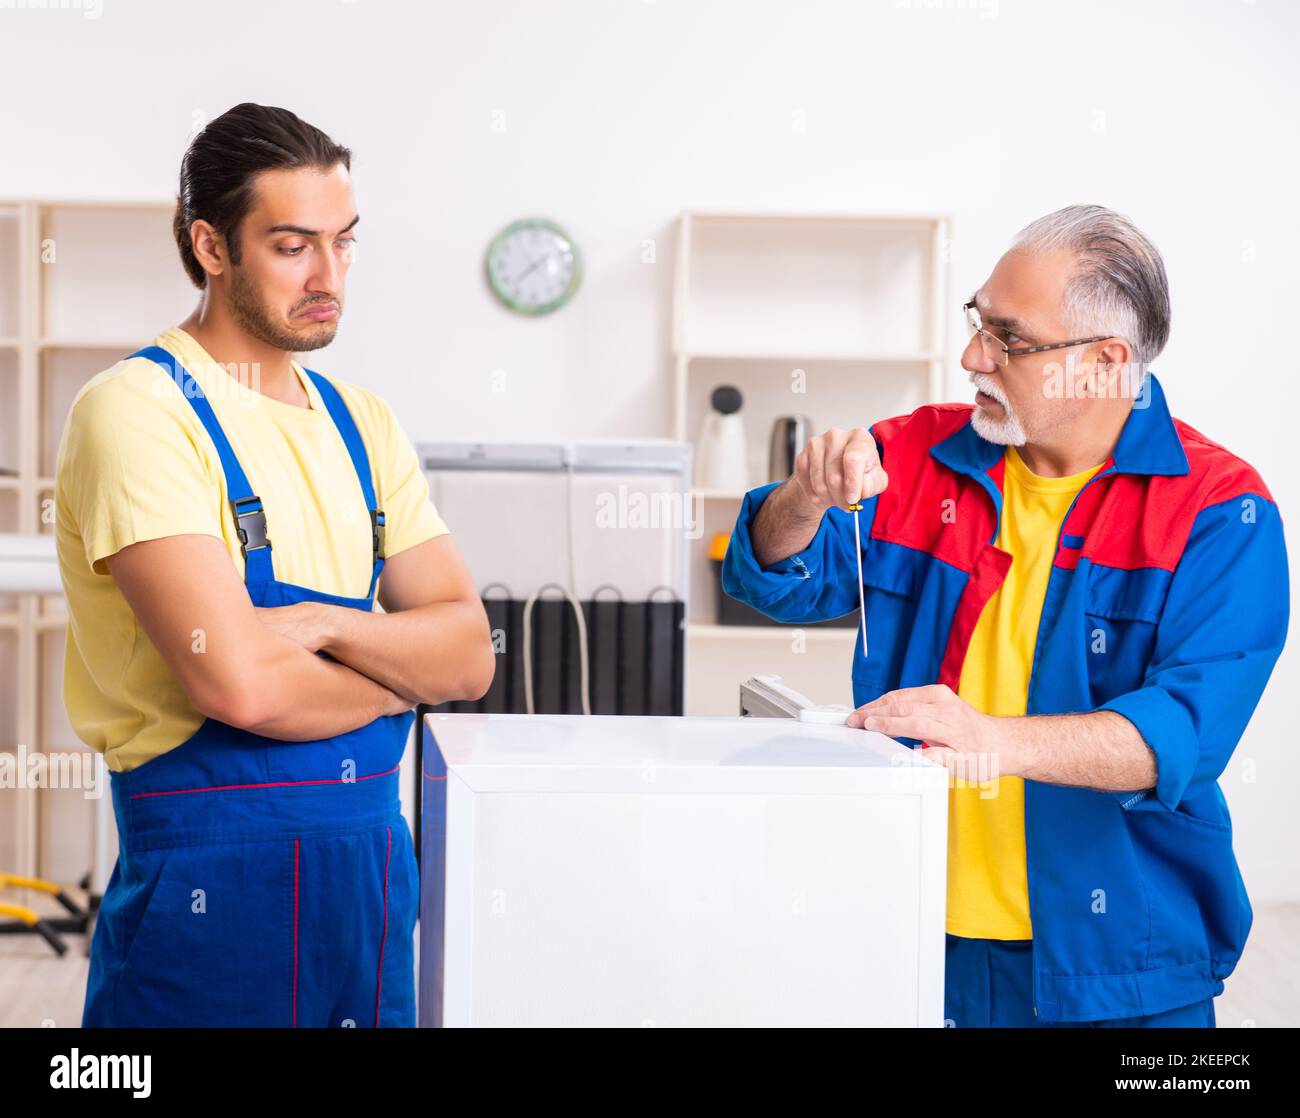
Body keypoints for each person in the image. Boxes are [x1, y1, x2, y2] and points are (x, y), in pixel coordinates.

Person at [722, 204, 1289, 1028]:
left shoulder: (1218, 512)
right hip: (912, 937)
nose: (971, 356)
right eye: (976, 322)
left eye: (1008, 339)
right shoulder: (916, 455)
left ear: (1104, 362)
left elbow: (1185, 735)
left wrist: (996, 739)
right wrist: (801, 499)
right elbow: (778, 578)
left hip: (1119, 971)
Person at [57, 103, 494, 1027]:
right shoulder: (139, 412)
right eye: (293, 246)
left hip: (371, 888)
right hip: (205, 902)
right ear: (210, 246)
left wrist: (330, 628)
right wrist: (399, 673)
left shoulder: (361, 423)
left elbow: (468, 657)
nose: (328, 276)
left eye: (343, 243)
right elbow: (241, 687)